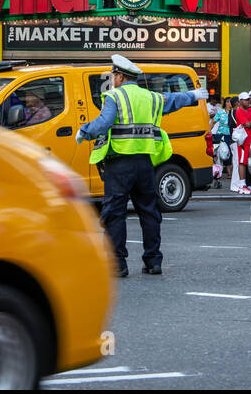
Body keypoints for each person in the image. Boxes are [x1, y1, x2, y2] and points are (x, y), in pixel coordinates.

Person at [77, 54, 208, 276]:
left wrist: (84, 131)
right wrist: (192, 95)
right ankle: (153, 261)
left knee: (115, 213)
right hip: (145, 164)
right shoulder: (150, 97)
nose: (112, 78)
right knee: (149, 211)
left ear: (119, 76)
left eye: (113, 75)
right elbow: (173, 101)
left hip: (119, 163)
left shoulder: (114, 97)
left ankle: (118, 264)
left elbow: (104, 123)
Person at [231, 91, 251, 196]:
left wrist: (250, 124)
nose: (248, 101)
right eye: (246, 100)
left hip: (249, 141)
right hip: (243, 141)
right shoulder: (239, 111)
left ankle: (245, 185)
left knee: (245, 162)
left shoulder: (248, 111)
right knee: (242, 163)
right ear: (240, 101)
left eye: (248, 99)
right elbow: (248, 123)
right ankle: (242, 186)